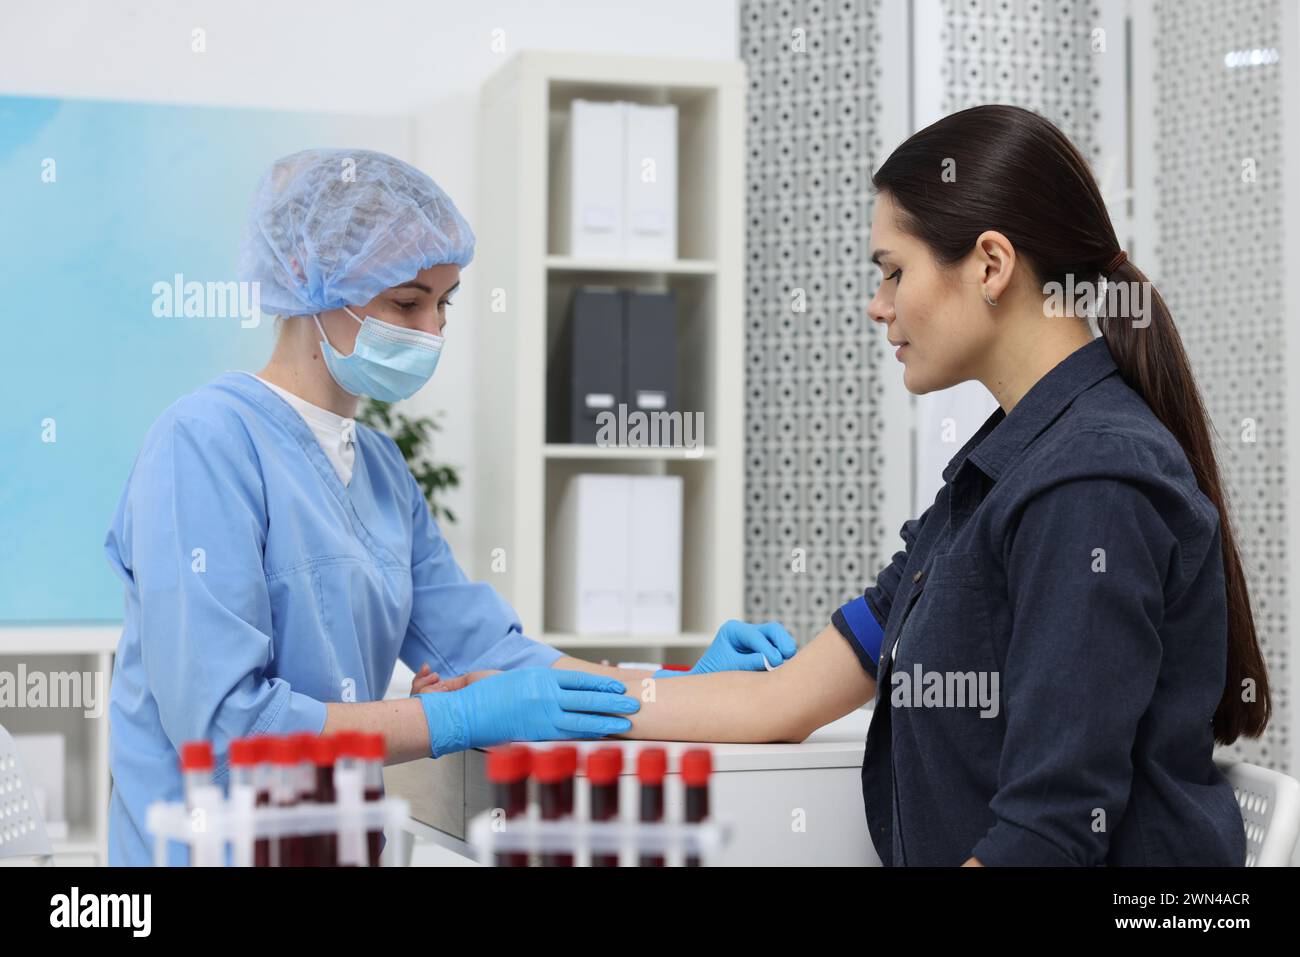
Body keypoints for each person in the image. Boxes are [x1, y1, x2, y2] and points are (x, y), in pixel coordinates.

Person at [595, 106, 1272, 866]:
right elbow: (777, 700)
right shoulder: (1003, 469)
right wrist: (552, 685)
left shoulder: (1089, 483)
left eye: (893, 271)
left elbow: (1047, 836)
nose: (876, 303)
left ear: (990, 264)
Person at [104, 148, 796, 866]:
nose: (432, 329)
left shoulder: (379, 470)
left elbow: (489, 649)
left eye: (445, 302)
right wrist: (453, 715)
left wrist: (673, 685)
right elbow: (222, 734)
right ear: (311, 280)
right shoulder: (202, 444)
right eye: (408, 302)